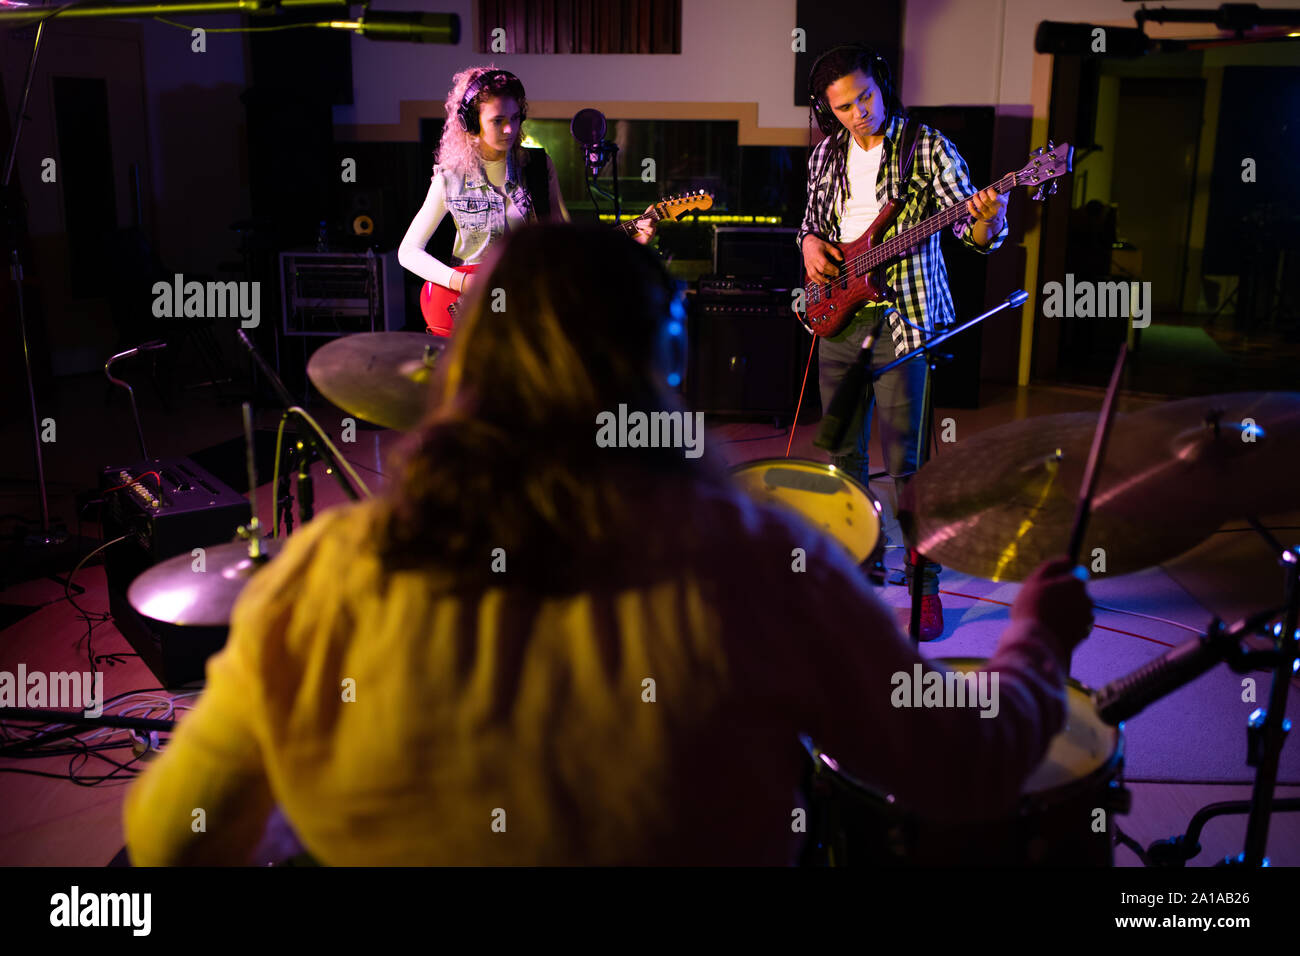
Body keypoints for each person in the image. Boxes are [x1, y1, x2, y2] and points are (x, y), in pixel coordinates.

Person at [122, 224, 1090, 866]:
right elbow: (963, 765)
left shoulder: (327, 569)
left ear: (458, 370)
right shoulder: (758, 562)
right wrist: (1036, 637)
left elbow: (169, 834)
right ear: (663, 368)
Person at [798, 45, 1010, 640]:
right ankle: (858, 576)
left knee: (909, 466)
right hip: (840, 320)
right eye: (843, 106)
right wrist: (810, 248)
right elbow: (812, 228)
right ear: (828, 110)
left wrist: (989, 218)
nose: (859, 112)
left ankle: (926, 588)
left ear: (883, 86)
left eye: (866, 96)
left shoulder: (927, 147)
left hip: (905, 321)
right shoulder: (825, 155)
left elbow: (977, 234)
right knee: (842, 460)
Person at [398, 65, 651, 334]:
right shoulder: (449, 179)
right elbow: (408, 252)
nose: (509, 129)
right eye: (498, 120)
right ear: (472, 124)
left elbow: (566, 248)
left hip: (526, 307)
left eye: (515, 117)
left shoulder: (538, 167)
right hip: (469, 309)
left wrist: (631, 241)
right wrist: (462, 283)